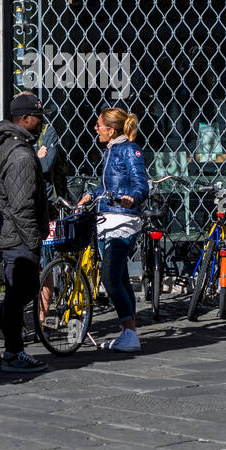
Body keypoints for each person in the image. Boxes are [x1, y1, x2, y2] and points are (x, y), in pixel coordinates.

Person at [0, 92, 49, 373]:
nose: (41, 122)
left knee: (21, 291)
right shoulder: (22, 155)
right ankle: (12, 352)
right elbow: (22, 204)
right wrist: (33, 240)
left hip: (9, 233)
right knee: (19, 294)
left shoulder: (6, 146)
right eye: (37, 117)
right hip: (18, 236)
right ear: (24, 119)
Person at [79, 106, 149, 353]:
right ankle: (128, 333)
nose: (96, 128)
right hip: (107, 219)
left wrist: (132, 197)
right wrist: (91, 194)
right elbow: (109, 186)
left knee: (109, 278)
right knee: (119, 278)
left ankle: (130, 334)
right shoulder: (111, 150)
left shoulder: (130, 150)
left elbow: (141, 184)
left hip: (122, 221)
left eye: (99, 125)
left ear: (111, 129)